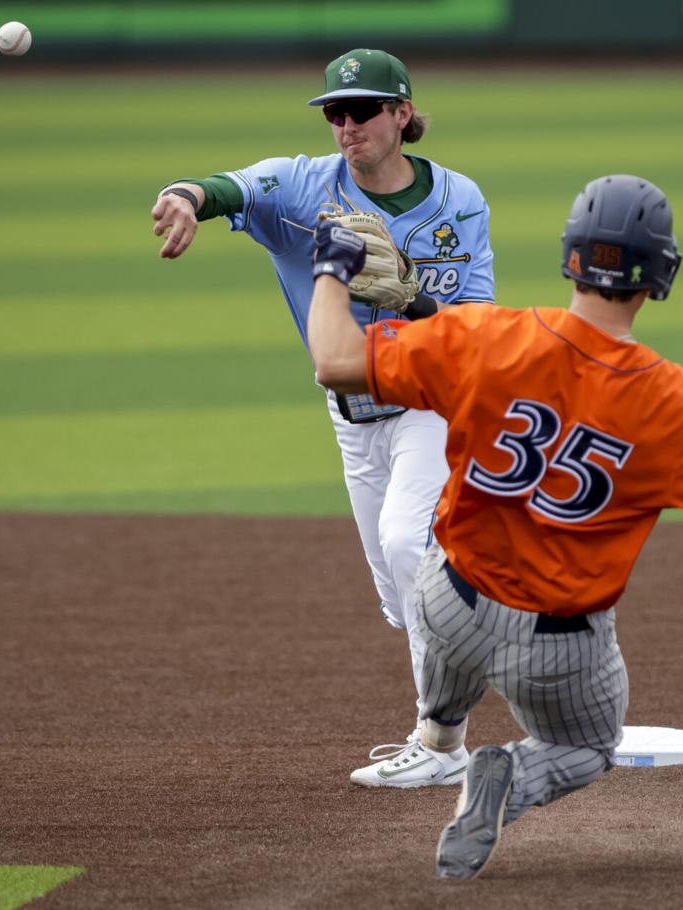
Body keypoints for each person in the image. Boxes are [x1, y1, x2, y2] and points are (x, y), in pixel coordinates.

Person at [305, 174, 683, 879]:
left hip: (452, 600)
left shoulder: (485, 337)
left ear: (571, 256)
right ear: (660, 276)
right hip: (557, 651)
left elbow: (335, 361)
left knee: (445, 617)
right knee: (586, 748)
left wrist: (331, 269)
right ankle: (508, 776)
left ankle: (439, 733)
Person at [149, 49, 494, 789]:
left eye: (363, 110)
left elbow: (478, 327)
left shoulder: (459, 199)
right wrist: (181, 197)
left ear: (402, 114)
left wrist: (412, 301)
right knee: (399, 596)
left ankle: (442, 743)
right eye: (335, 112)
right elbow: (226, 188)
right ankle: (465, 649)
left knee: (408, 545)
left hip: (430, 404)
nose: (347, 125)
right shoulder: (301, 187)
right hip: (353, 417)